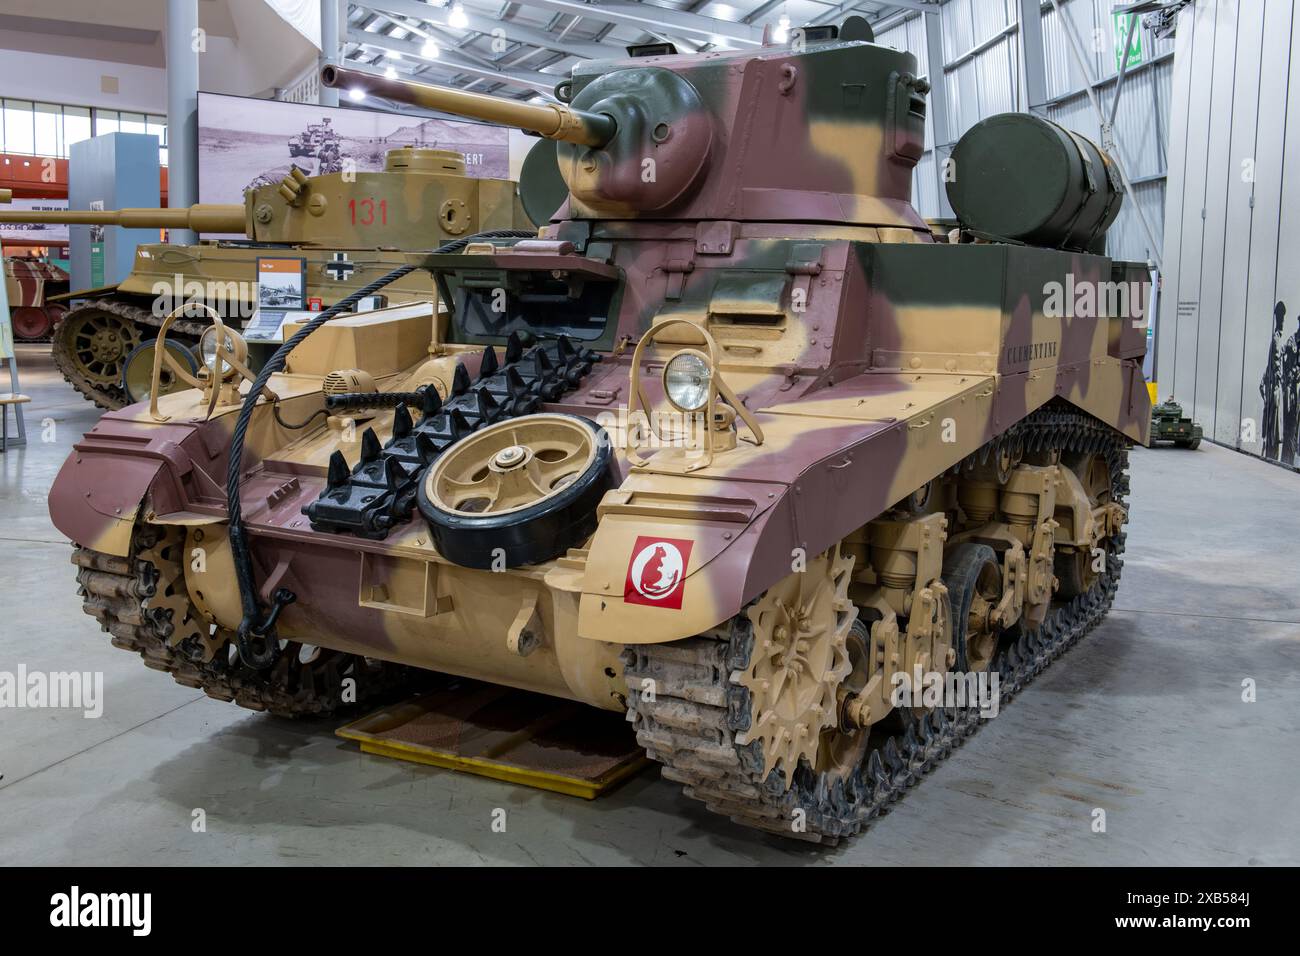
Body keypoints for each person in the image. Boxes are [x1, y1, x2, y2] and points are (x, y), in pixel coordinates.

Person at [1261, 302, 1284, 460]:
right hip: (1274, 390)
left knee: (1274, 429)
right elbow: (1275, 366)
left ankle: (1272, 453)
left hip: (1274, 389)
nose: (1281, 320)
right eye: (1280, 316)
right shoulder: (1276, 339)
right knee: (1273, 430)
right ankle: (1271, 455)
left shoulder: (1278, 338)